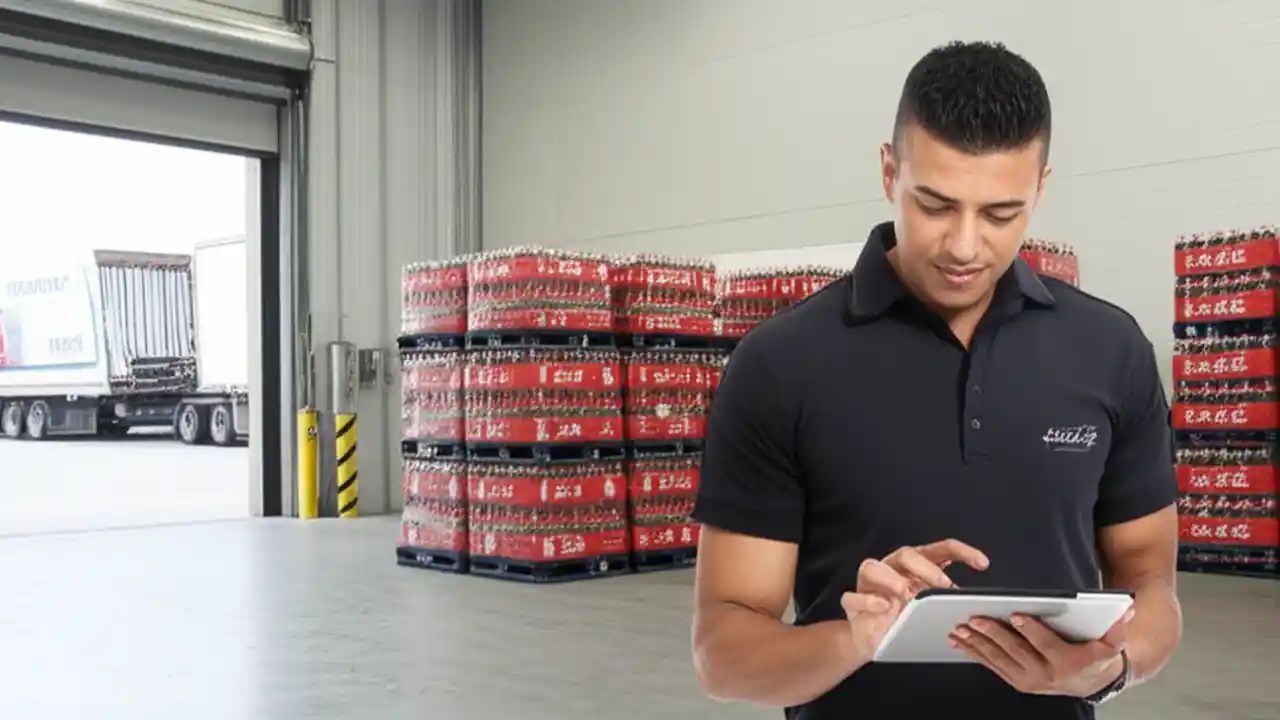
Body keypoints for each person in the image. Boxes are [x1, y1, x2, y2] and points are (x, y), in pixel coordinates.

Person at [689, 41, 1181, 719]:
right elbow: (723, 652)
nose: (965, 245)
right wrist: (855, 640)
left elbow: (1151, 581)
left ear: (1041, 187)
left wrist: (1110, 667)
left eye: (1001, 214)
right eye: (935, 205)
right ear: (889, 171)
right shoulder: (779, 365)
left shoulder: (1110, 349)